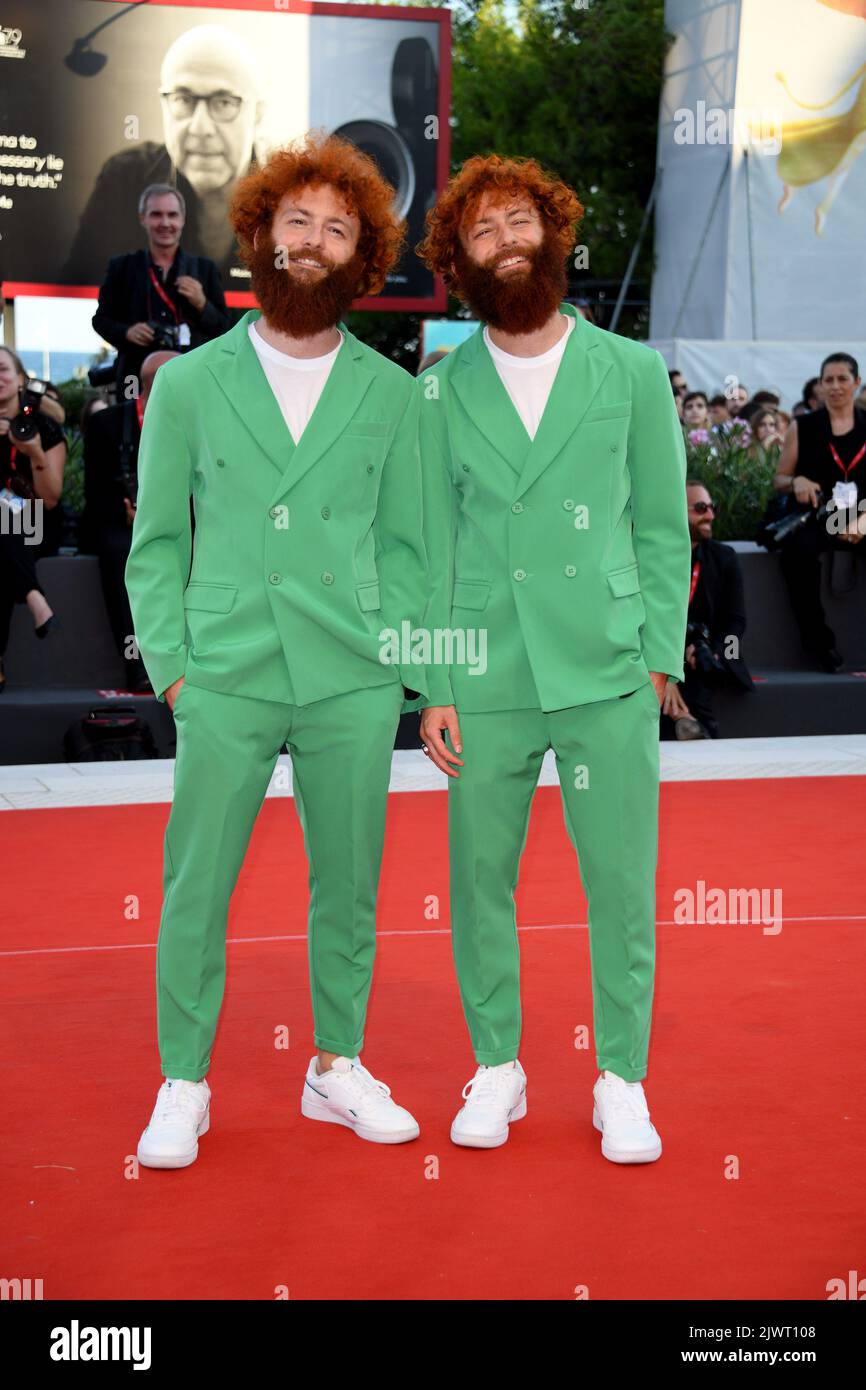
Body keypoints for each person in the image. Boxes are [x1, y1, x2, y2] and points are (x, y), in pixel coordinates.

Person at [126, 133, 428, 1168]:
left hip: (352, 677)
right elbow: (155, 543)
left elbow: (410, 550)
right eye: (294, 221)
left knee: (348, 885)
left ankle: (333, 1064)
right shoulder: (191, 386)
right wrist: (175, 667)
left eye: (335, 228)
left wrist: (413, 674)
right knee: (196, 883)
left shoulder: (394, 398)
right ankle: (182, 1079)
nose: (311, 241)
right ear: (258, 235)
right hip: (225, 674)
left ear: (362, 256)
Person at [415, 154, 691, 1164]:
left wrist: (658, 654)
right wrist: (431, 683)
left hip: (608, 671)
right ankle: (498, 1065)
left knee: (619, 885)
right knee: (478, 879)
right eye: (482, 229)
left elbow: (664, 528)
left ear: (555, 232)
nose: (506, 239)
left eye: (520, 219)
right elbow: (422, 547)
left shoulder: (626, 373)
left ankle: (620, 1077)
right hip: (482, 681)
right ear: (459, 256)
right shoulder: (437, 391)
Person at [62, 24, 264, 286]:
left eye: (224, 103)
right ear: (164, 105)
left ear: (257, 113)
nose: (200, 129)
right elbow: (75, 296)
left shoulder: (289, 198)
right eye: (183, 100)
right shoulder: (123, 180)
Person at [81, 351, 181, 692]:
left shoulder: (199, 420)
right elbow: (93, 492)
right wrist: (129, 513)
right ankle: (138, 665)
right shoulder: (106, 423)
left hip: (182, 521)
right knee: (122, 551)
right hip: (121, 524)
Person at [91, 185, 230, 400]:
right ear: (142, 218)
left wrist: (202, 304)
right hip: (134, 378)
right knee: (135, 432)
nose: (165, 223)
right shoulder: (122, 267)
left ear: (182, 219)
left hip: (192, 377)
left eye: (172, 215)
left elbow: (224, 329)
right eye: (156, 214)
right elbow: (100, 321)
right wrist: (127, 332)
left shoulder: (204, 269)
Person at [774, 352, 866, 670]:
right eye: (828, 380)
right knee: (797, 554)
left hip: (864, 513)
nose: (835, 386)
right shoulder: (802, 426)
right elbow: (779, 478)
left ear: (856, 383)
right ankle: (819, 644)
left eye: (842, 379)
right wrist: (796, 479)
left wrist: (863, 520)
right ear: (820, 385)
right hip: (820, 513)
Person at [660, 480, 755, 740]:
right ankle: (690, 724)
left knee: (701, 667)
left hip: (713, 651)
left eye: (712, 507)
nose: (710, 515)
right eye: (700, 508)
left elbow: (737, 623)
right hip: (661, 650)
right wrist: (664, 670)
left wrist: (717, 650)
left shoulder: (725, 557)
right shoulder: (655, 558)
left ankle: (689, 725)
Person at [0, 349, 67, 695]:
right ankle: (34, 595)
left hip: (37, 522)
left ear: (20, 378)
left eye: (3, 369)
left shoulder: (44, 426)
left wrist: (34, 453)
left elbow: (51, 498)